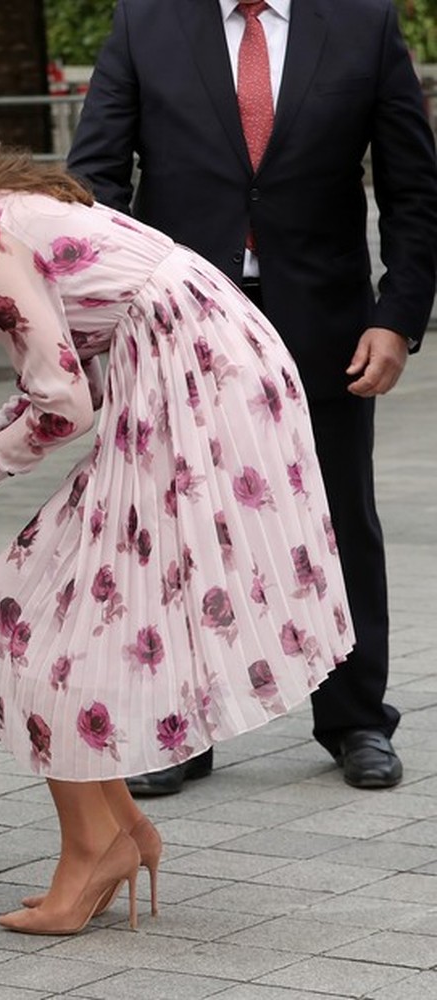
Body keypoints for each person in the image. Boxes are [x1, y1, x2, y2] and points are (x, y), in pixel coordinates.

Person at [0, 84, 352, 935]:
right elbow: (52, 387)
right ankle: (114, 832)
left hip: (200, 383)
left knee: (36, 609)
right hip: (191, 369)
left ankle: (98, 848)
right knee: (39, 605)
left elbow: (62, 406)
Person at [66, 0, 437, 795]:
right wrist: (108, 311)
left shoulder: (362, 25)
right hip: (179, 325)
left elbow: (414, 190)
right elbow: (95, 181)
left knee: (339, 517)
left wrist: (397, 320)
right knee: (177, 525)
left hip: (325, 324)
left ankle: (356, 719)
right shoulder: (146, 25)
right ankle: (180, 728)